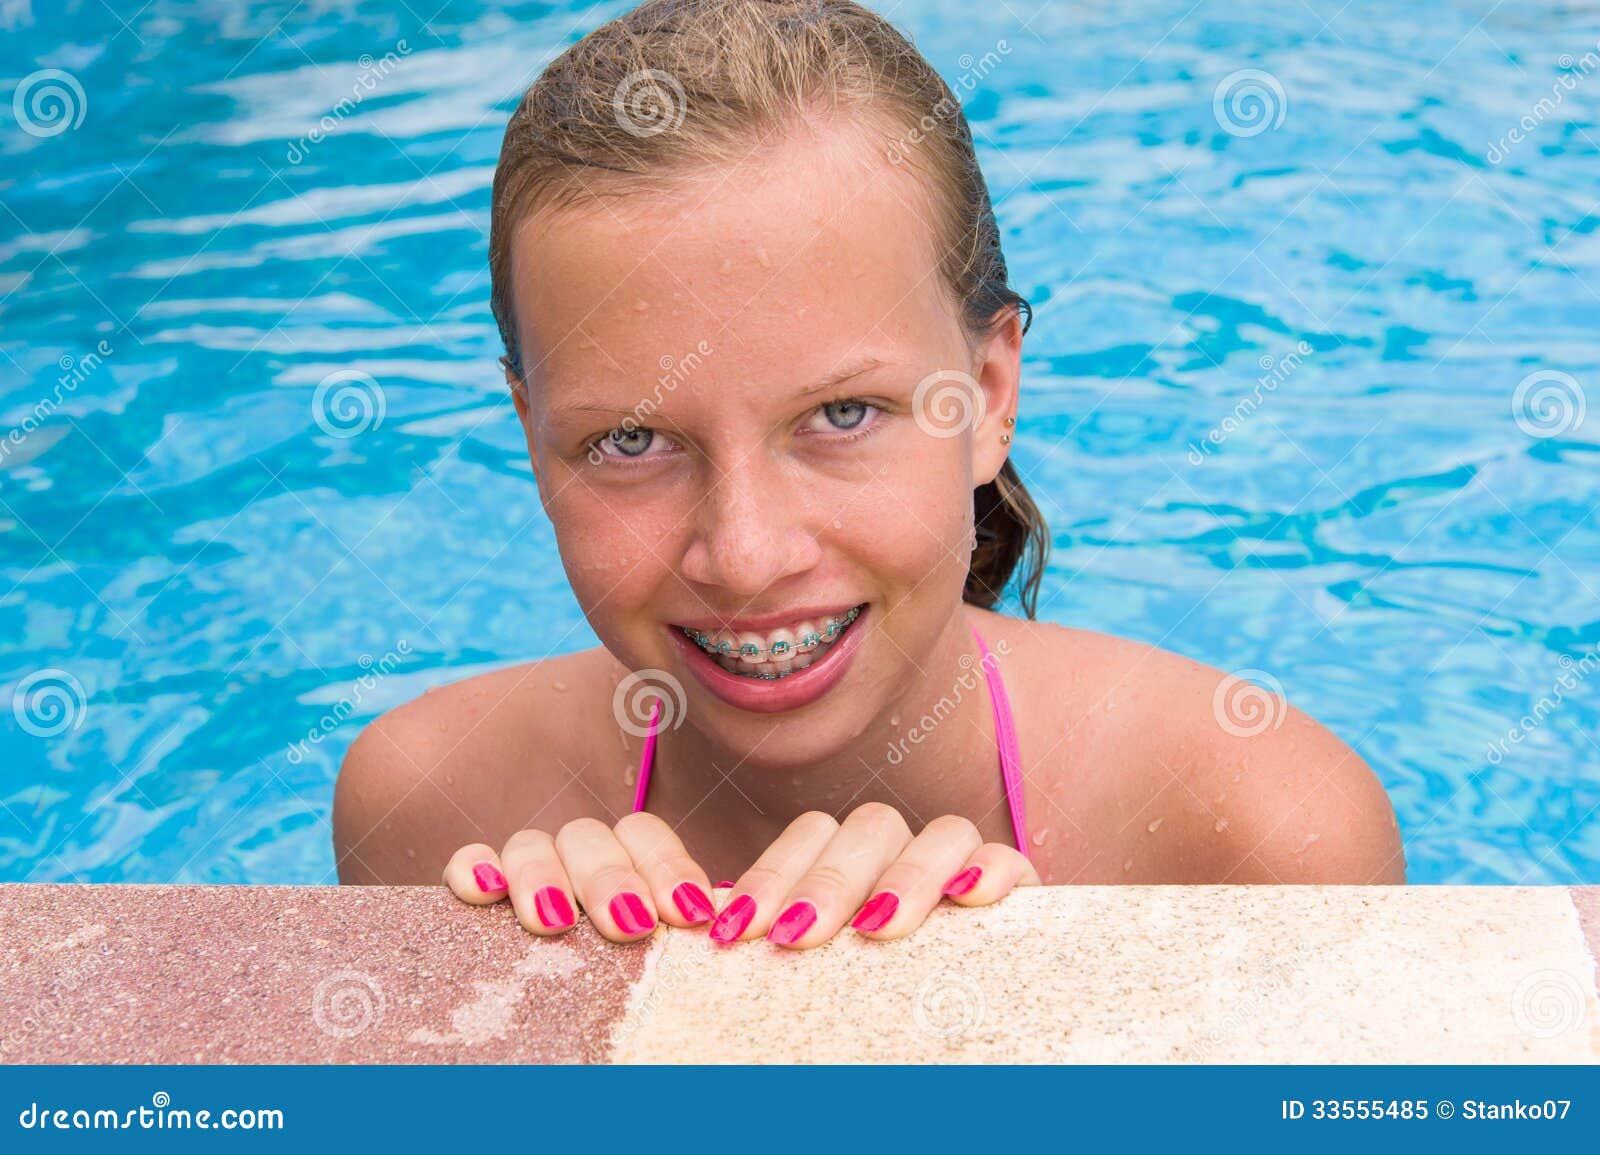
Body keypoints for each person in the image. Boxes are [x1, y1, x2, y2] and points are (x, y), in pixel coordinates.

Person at [333, 0, 1405, 951]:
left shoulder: (1259, 839)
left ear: (985, 395)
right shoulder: (435, 807)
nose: (746, 556)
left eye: (842, 415)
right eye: (631, 441)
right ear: (529, 438)